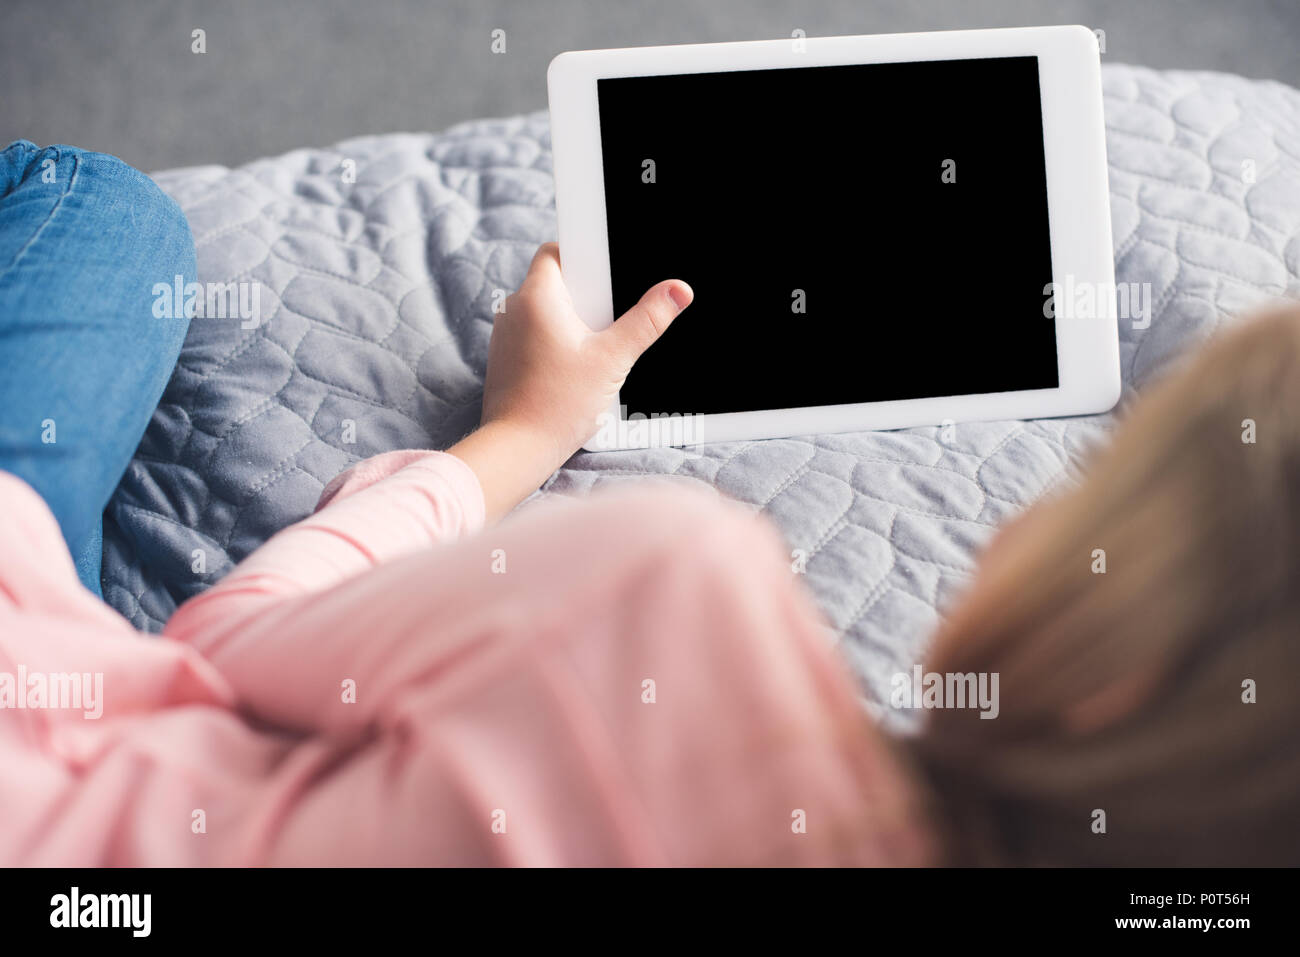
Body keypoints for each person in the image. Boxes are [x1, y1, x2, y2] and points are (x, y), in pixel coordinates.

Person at [0, 142, 1294, 866]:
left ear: (1120, 679)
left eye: (1099, 509)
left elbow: (221, 648)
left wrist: (522, 435)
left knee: (89, 208)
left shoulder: (671, 587)